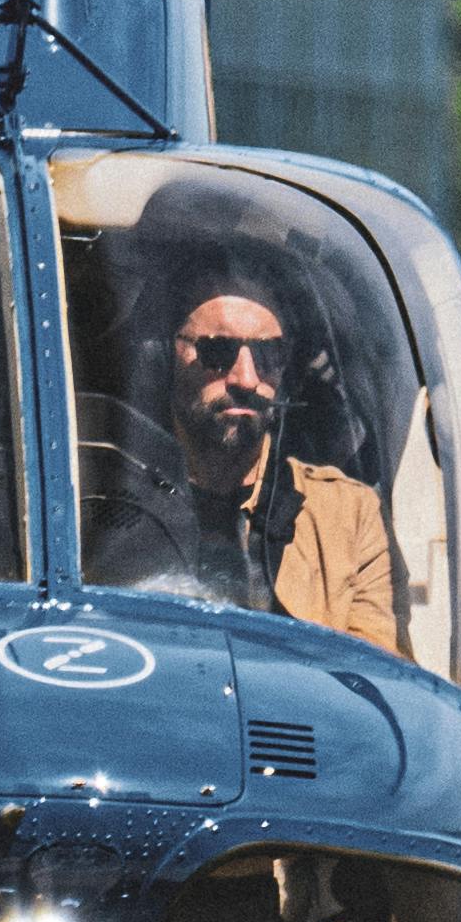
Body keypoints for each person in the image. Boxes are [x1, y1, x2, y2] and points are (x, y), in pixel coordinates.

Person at [99, 255, 402, 653]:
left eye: (267, 354)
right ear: (163, 356)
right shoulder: (100, 502)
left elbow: (372, 674)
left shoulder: (348, 515)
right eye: (217, 351)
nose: (246, 378)